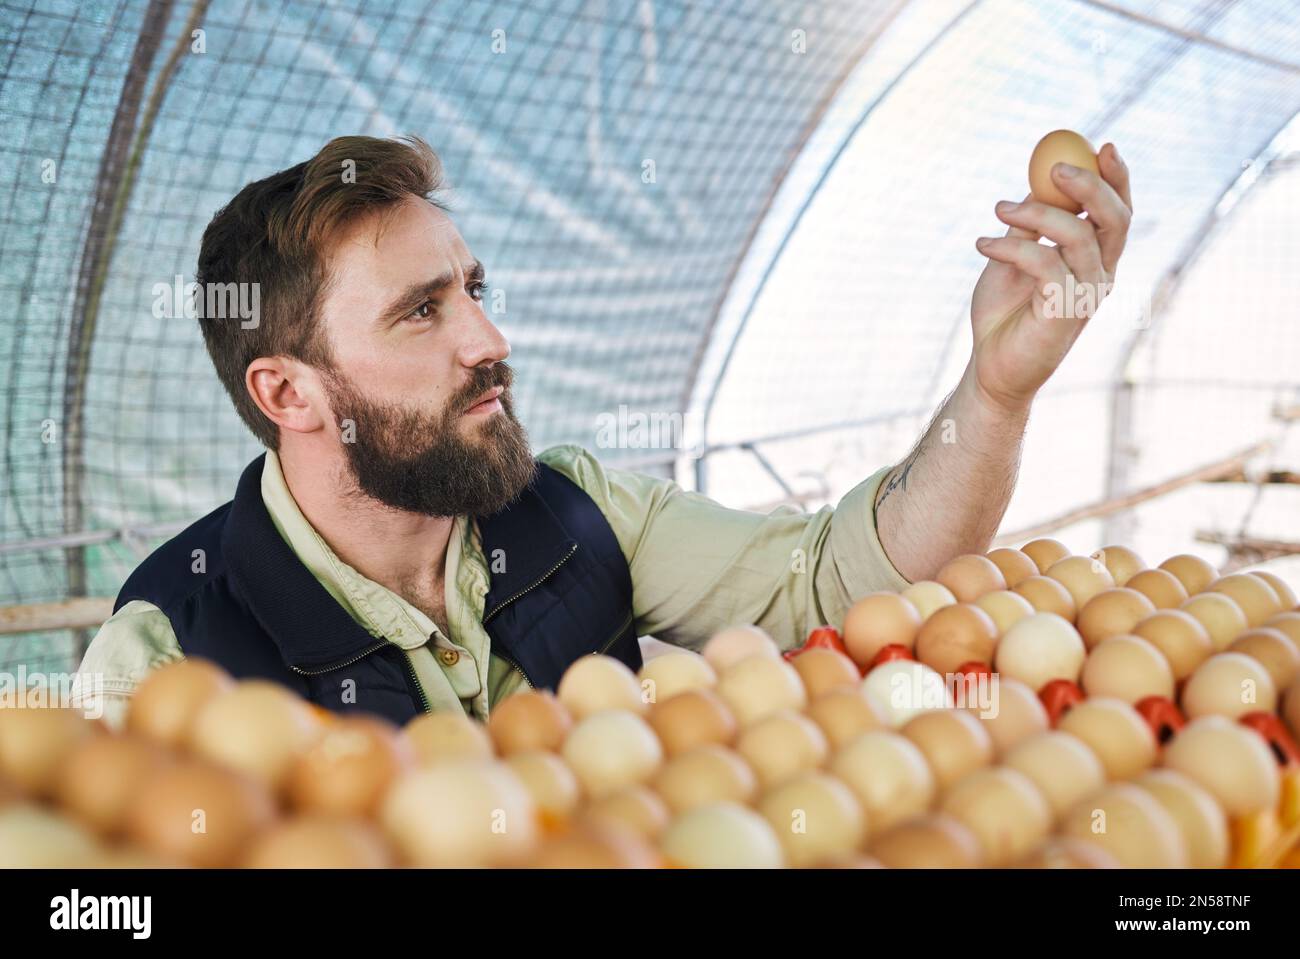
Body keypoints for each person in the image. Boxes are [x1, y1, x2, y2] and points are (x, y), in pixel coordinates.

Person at [77, 134, 1132, 728]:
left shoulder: (576, 510)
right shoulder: (167, 656)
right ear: (289, 394)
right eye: (421, 309)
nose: (489, 338)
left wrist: (993, 393)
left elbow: (844, 581)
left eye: (474, 289)